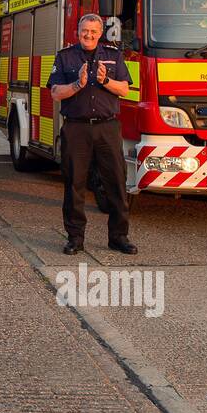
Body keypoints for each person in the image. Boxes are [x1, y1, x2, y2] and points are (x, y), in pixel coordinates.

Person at [49, 14, 137, 256]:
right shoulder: (65, 57)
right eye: (84, 31)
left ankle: (119, 237)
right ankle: (75, 238)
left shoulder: (113, 56)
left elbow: (125, 89)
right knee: (74, 184)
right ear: (77, 32)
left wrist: (105, 80)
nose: (88, 35)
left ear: (101, 33)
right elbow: (55, 92)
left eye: (93, 31)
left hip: (107, 128)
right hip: (76, 128)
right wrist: (78, 84)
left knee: (117, 183)